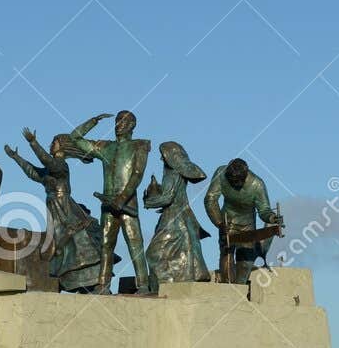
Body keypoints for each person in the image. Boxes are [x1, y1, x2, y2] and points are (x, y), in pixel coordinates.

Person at [4, 129, 102, 292]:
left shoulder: (61, 166)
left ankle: (88, 280)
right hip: (53, 209)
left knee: (72, 240)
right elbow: (33, 172)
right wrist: (16, 157)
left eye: (54, 142)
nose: (51, 145)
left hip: (65, 208)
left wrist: (33, 143)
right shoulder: (51, 170)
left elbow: (48, 162)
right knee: (57, 245)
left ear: (62, 147)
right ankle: (68, 279)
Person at [67, 111, 154, 293]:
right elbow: (75, 137)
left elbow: (137, 174)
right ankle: (103, 285)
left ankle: (143, 285)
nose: (118, 125)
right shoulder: (106, 147)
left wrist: (122, 199)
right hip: (108, 204)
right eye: (117, 121)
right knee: (106, 245)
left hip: (127, 205)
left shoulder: (139, 146)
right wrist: (93, 121)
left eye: (123, 122)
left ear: (132, 125)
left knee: (134, 244)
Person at [142, 141, 212, 285]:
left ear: (171, 157)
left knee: (153, 253)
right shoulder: (172, 172)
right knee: (172, 253)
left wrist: (148, 202)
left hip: (174, 219)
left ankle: (166, 282)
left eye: (163, 156)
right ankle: (171, 281)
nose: (161, 159)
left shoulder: (173, 173)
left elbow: (168, 198)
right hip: (175, 216)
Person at [204, 157, 284, 283]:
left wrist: (272, 218)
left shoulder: (257, 185)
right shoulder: (221, 173)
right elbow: (210, 199)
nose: (234, 183)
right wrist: (219, 222)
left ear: (245, 176)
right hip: (226, 224)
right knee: (227, 263)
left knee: (245, 264)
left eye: (238, 180)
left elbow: (264, 209)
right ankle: (228, 291)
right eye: (232, 180)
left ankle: (240, 292)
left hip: (247, 227)